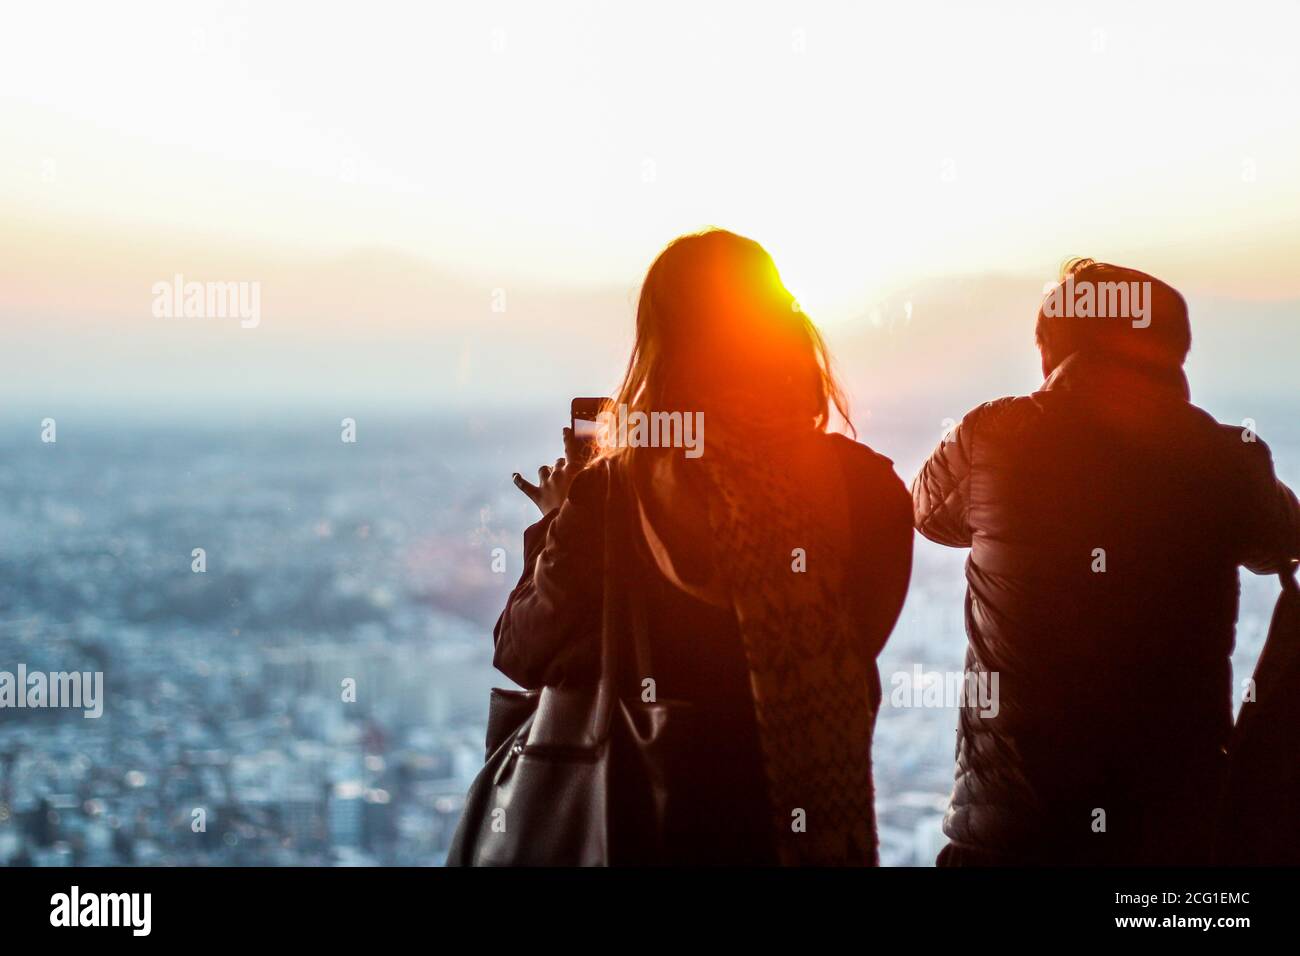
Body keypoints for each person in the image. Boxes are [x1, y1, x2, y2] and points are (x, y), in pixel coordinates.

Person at [496, 228, 913, 865]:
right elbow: (856, 643)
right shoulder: (871, 489)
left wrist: (557, 523)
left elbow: (522, 651)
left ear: (660, 346)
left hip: (650, 831)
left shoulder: (612, 497)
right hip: (808, 833)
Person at [913, 257, 1300, 865]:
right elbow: (1284, 540)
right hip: (1169, 835)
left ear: (1050, 348)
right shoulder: (1228, 460)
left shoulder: (989, 435)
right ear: (1175, 352)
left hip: (1009, 831)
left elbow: (929, 516)